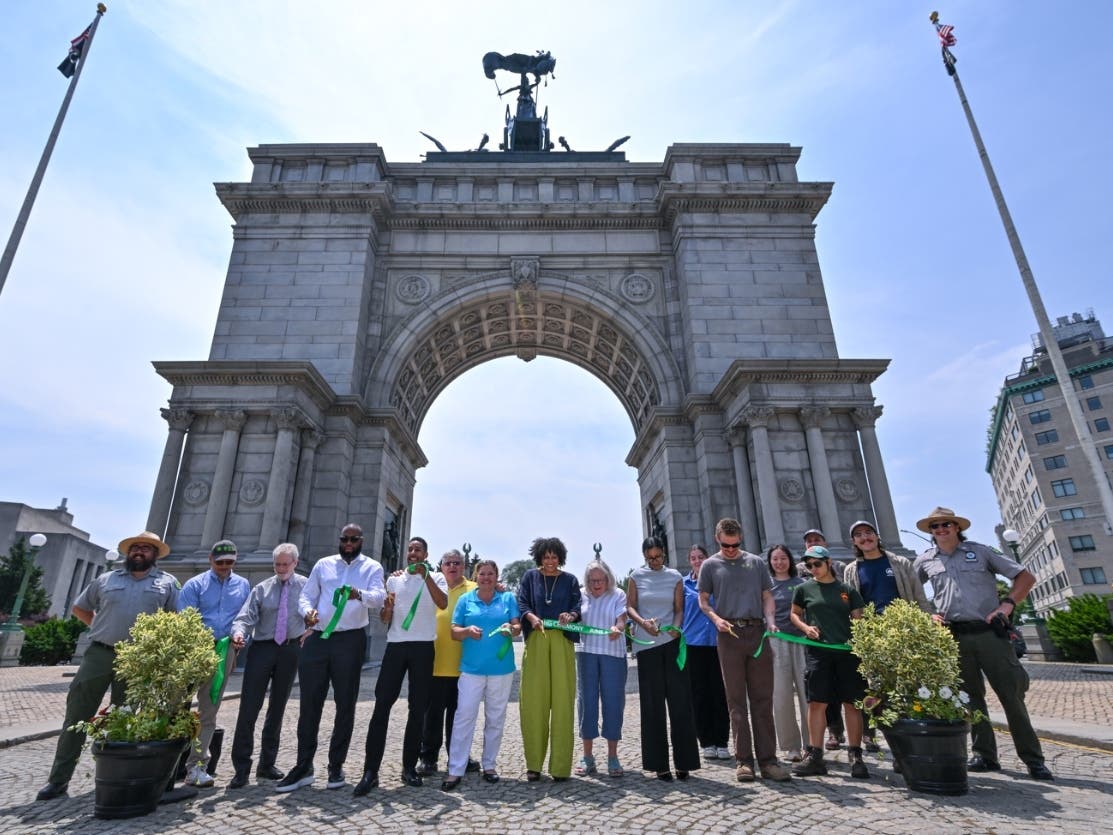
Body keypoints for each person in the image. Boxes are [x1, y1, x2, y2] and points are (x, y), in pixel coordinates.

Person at [36, 531, 180, 801]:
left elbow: (175, 619)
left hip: (138, 658)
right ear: (128, 553)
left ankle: (118, 777)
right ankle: (58, 780)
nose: (139, 552)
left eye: (146, 549)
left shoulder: (167, 583)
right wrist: (99, 628)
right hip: (100, 653)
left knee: (126, 717)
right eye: (135, 547)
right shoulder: (106, 579)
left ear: (154, 555)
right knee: (77, 714)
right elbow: (80, 608)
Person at [912, 506, 1052, 780]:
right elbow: (910, 590)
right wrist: (928, 613)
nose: (941, 530)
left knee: (1011, 696)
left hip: (989, 633)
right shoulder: (925, 560)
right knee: (969, 698)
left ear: (957, 528)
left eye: (946, 525)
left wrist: (1007, 605)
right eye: (935, 527)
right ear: (931, 532)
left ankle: (1033, 759)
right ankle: (985, 755)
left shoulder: (981, 551)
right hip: (954, 635)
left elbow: (1025, 576)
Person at [276, 523, 386, 793]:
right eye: (344, 539)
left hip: (350, 640)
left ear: (362, 540)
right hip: (318, 638)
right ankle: (303, 766)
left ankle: (336, 766)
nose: (348, 543)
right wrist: (307, 613)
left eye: (353, 539)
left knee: (345, 705)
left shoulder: (372, 567)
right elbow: (306, 596)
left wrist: (358, 593)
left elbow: (380, 597)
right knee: (309, 704)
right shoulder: (324, 565)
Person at [698, 518, 791, 783]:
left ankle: (769, 761)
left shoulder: (756, 563)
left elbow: (767, 596)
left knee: (763, 699)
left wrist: (771, 621)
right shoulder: (710, 565)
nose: (730, 549)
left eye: (735, 544)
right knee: (736, 702)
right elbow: (703, 601)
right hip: (728, 635)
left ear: (741, 538)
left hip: (757, 633)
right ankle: (744, 761)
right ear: (718, 539)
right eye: (726, 545)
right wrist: (716, 620)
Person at [355, 536, 448, 795]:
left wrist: (426, 576)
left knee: (417, 708)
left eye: (418, 550)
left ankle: (408, 768)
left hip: (423, 647)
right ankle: (370, 770)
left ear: (426, 555)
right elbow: (386, 618)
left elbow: (442, 603)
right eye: (410, 549)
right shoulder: (394, 579)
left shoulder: (438, 577)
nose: (413, 553)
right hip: (396, 646)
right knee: (382, 705)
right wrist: (386, 608)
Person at [842, 519, 932, 753]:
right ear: (854, 541)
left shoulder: (899, 563)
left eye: (868, 533)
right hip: (873, 637)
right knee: (878, 691)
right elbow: (850, 606)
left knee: (909, 687)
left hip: (904, 634)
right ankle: (893, 742)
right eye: (859, 535)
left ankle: (912, 742)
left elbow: (918, 595)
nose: (865, 538)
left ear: (877, 536)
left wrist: (928, 621)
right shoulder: (852, 570)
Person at [228, 542, 308, 788]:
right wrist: (239, 633)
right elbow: (245, 617)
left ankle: (267, 764)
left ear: (295, 563)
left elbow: (318, 612)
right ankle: (241, 767)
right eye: (277, 564)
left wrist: (313, 629)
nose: (281, 568)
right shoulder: (261, 588)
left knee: (278, 707)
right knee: (249, 707)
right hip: (262, 648)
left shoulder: (306, 587)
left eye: (286, 564)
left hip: (291, 649)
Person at [441, 560, 521, 790]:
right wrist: (466, 631)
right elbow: (454, 632)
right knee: (464, 717)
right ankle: (456, 769)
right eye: (482, 574)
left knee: (495, 718)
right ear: (476, 576)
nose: (486, 577)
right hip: (471, 669)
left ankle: (489, 765)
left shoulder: (507, 598)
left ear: (497, 576)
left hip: (501, 668)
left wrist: (511, 629)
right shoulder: (466, 600)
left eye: (490, 574)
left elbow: (517, 627)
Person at [790, 545, 869, 779]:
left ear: (829, 562)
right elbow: (794, 614)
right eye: (809, 565)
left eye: (817, 564)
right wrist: (806, 628)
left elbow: (859, 622)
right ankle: (815, 755)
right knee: (817, 703)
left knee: (852, 704)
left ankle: (856, 755)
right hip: (818, 653)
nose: (813, 569)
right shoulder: (803, 589)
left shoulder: (847, 590)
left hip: (847, 653)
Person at [177, 539, 251, 787]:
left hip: (224, 651)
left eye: (230, 562)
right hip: (194, 651)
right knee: (177, 706)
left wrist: (241, 635)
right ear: (211, 560)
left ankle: (196, 766)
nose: (225, 566)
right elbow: (184, 620)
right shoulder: (194, 584)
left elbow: (243, 617)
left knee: (208, 711)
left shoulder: (243, 585)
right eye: (220, 563)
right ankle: (169, 762)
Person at [628, 536, 700, 781]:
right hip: (647, 645)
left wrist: (676, 627)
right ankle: (659, 764)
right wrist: (642, 623)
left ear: (664, 554)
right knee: (652, 706)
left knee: (680, 703)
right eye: (649, 558)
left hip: (672, 644)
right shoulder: (636, 576)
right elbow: (630, 607)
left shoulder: (675, 577)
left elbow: (679, 609)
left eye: (658, 556)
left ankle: (685, 762)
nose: (654, 561)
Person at [517, 536, 582, 782]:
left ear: (560, 557)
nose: (550, 561)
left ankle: (560, 767)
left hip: (562, 641)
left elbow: (578, 605)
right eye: (546, 556)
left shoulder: (570, 580)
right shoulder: (529, 577)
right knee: (534, 703)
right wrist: (531, 617)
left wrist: (571, 615)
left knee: (563, 703)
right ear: (540, 557)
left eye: (554, 556)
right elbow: (522, 602)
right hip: (537, 639)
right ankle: (534, 764)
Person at [417, 549, 479, 777]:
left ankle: (459, 756)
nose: (452, 566)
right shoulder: (431, 585)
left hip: (465, 665)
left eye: (457, 563)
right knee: (432, 716)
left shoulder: (474, 589)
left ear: (463, 567)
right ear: (441, 566)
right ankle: (428, 758)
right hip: (434, 662)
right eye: (448, 563)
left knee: (460, 716)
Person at [575, 558, 628, 778]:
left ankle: (613, 756)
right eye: (592, 580)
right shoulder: (579, 594)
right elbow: (573, 617)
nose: (596, 584)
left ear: (608, 578)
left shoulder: (618, 594)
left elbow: (622, 618)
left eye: (601, 580)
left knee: (613, 702)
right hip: (586, 652)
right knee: (586, 702)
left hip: (613, 654)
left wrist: (618, 627)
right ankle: (587, 756)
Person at [681, 544, 730, 761]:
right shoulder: (683, 585)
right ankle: (706, 741)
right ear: (689, 561)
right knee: (698, 694)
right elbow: (678, 611)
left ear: (707, 559)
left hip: (719, 643)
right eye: (693, 558)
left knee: (720, 694)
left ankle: (722, 741)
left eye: (701, 557)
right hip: (693, 643)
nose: (697, 561)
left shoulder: (719, 581)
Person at [803, 527, 844, 752]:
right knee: (823, 690)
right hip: (817, 640)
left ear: (825, 543)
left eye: (817, 540)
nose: (812, 543)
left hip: (842, 636)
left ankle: (868, 735)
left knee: (851, 688)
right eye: (809, 541)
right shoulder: (801, 572)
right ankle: (833, 731)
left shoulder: (841, 568)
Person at [766, 544, 808, 763]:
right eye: (775, 559)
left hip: (801, 642)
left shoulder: (802, 584)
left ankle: (812, 744)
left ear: (790, 560)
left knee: (807, 695)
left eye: (783, 558)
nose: (779, 562)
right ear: (770, 562)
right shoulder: (766, 586)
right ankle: (791, 746)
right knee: (781, 695)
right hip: (777, 642)